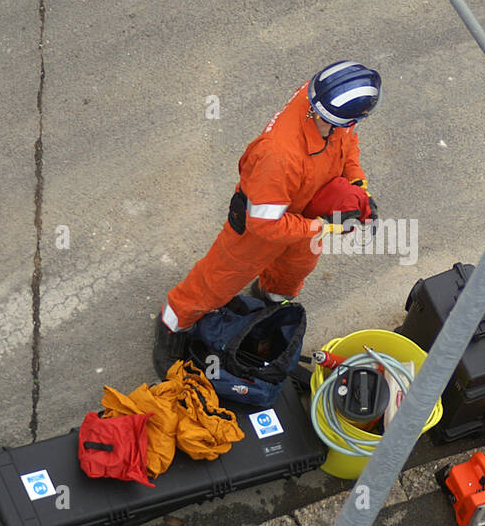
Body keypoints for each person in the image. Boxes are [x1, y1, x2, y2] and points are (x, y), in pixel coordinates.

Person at [153, 61, 382, 378]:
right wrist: (323, 227)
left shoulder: (328, 105)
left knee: (295, 268)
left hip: (304, 209)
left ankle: (272, 298)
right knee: (218, 281)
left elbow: (348, 143)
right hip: (261, 224)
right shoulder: (279, 156)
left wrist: (357, 184)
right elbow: (264, 224)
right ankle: (173, 322)